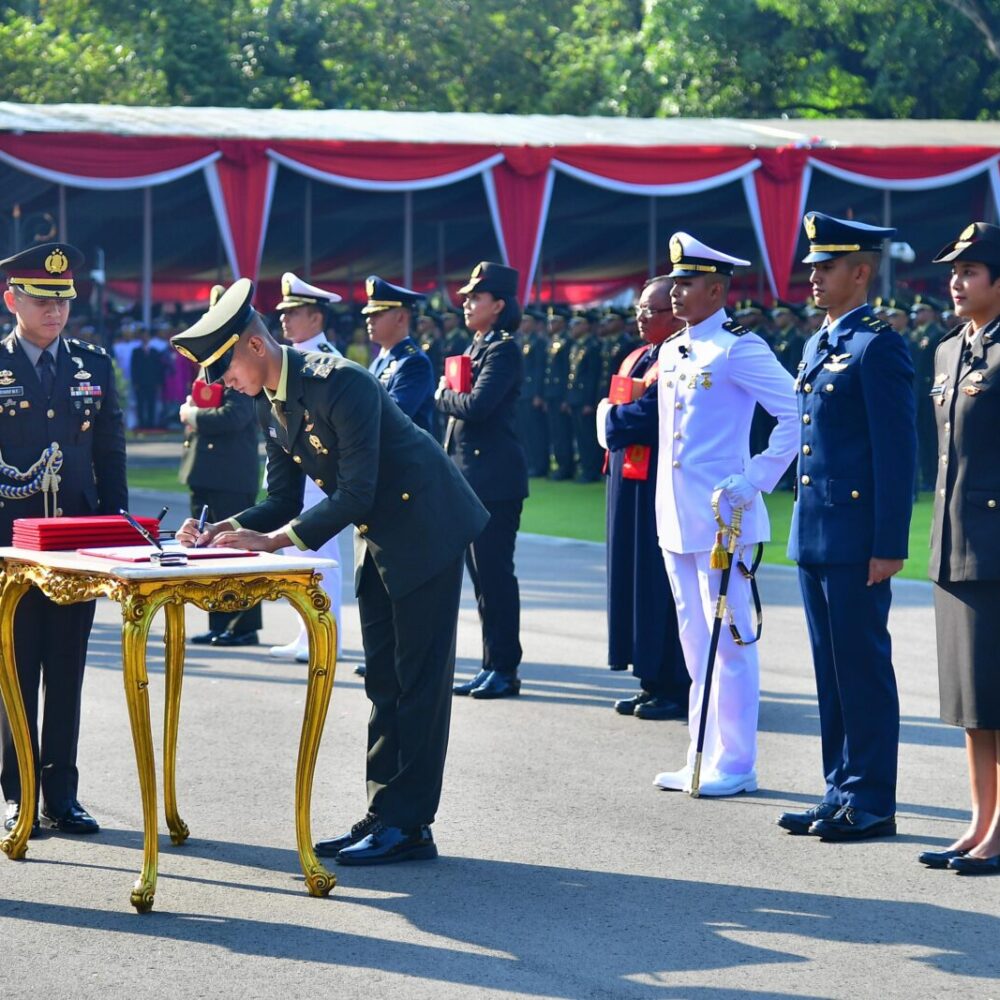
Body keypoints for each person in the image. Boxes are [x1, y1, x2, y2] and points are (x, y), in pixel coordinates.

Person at [170, 279, 488, 865]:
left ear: (256, 347)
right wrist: (220, 530)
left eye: (225, 368)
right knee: (383, 680)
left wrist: (272, 542)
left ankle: (410, 825)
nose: (221, 385)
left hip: (427, 529)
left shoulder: (340, 381)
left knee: (418, 681)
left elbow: (357, 491)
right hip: (382, 538)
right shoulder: (273, 401)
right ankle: (382, 811)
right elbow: (281, 500)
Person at [779, 212, 916, 841]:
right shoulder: (818, 342)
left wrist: (890, 543)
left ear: (860, 272)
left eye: (826, 266)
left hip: (858, 537)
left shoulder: (878, 345)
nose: (813, 275)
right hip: (816, 532)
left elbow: (898, 453)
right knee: (829, 668)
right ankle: (838, 788)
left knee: (861, 666)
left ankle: (871, 800)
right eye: (812, 265)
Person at [653, 233, 797, 797]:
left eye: (687, 283)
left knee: (730, 642)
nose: (676, 292)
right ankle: (700, 753)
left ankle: (736, 762)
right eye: (675, 282)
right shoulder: (672, 348)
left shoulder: (741, 347)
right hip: (677, 518)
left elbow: (795, 413)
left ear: (717, 288)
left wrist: (756, 477)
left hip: (724, 520)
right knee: (694, 641)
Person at [0, 242, 128, 835]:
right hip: (11, 543)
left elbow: (109, 451)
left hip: (78, 541)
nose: (55, 311)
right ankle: (16, 791)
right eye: (41, 299)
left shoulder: (93, 365)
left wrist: (122, 526)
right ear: (12, 301)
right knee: (15, 668)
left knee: (68, 668)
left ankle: (62, 794)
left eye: (63, 300)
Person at [921, 222, 1000, 874]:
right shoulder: (950, 352)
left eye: (970, 271)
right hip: (954, 546)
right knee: (974, 704)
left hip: (998, 551)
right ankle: (978, 823)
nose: (956, 282)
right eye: (954, 271)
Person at [596, 276, 689, 720]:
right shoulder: (640, 355)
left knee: (658, 582)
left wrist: (610, 419)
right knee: (633, 578)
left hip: (658, 480)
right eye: (640, 309)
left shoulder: (679, 354)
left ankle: (674, 682)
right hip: (628, 479)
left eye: (652, 310)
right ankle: (649, 678)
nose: (642, 316)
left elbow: (650, 414)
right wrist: (615, 418)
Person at [436, 262, 529, 700]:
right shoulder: (477, 345)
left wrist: (442, 396)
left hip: (494, 479)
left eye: (476, 297)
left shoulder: (503, 349)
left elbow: (478, 406)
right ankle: (490, 664)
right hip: (471, 480)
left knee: (495, 577)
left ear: (499, 305)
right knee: (481, 578)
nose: (467, 303)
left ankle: (505, 669)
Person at [267, 272, 346, 663]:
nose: (284, 319)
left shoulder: (327, 358)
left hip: (319, 473)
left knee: (319, 559)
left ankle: (327, 636)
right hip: (298, 474)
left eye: (294, 312)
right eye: (283, 312)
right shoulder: (290, 357)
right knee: (296, 561)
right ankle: (306, 633)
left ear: (316, 317)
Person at [179, 376, 263, 648]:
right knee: (209, 554)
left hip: (230, 478)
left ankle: (243, 626)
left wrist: (192, 414)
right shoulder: (212, 374)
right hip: (205, 473)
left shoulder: (238, 377)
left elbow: (233, 416)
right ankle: (219, 623)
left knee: (237, 553)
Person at [363, 276, 436, 435]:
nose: (369, 320)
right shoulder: (380, 360)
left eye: (377, 314)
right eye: (368, 315)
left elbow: (395, 415)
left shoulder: (413, 362)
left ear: (401, 318)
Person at [566, 310, 604, 482]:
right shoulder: (576, 345)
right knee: (580, 436)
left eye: (577, 323)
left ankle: (591, 470)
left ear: (587, 326)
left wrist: (590, 401)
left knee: (589, 437)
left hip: (585, 399)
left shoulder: (593, 346)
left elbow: (593, 377)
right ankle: (585, 467)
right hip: (575, 397)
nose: (573, 327)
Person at [542, 306, 574, 479]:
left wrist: (566, 398)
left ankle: (566, 467)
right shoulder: (553, 341)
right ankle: (561, 465)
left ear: (563, 323)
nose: (551, 324)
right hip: (552, 394)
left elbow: (567, 372)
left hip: (561, 394)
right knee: (555, 432)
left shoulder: (568, 342)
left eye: (555, 321)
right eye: (550, 321)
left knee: (563, 433)